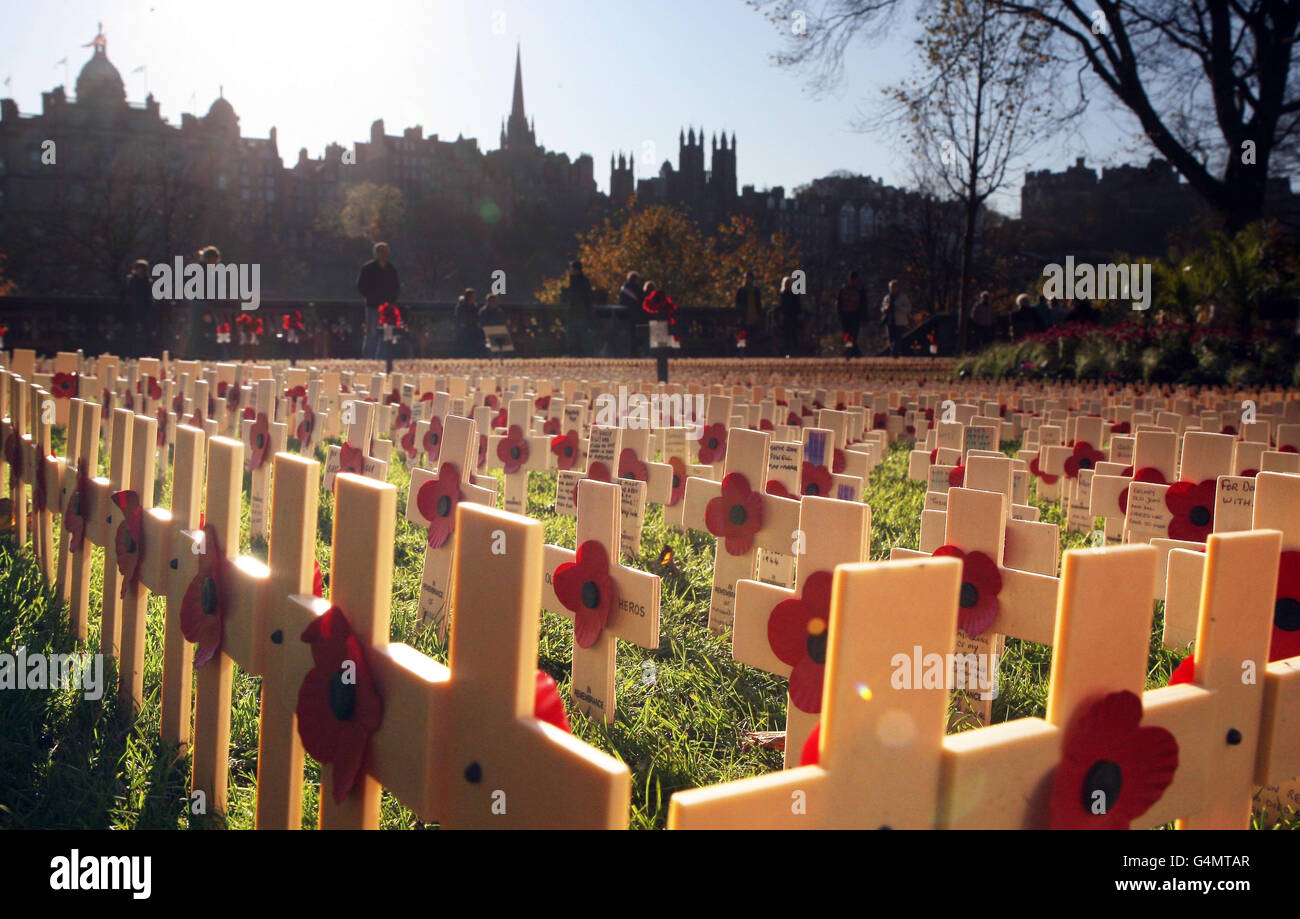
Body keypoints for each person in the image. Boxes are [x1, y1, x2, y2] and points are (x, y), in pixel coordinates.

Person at [355, 242, 400, 361]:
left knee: (386, 334)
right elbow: (361, 286)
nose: (384, 254)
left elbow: (396, 287)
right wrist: (371, 297)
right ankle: (369, 358)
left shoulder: (391, 268)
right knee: (372, 333)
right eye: (381, 251)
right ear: (376, 253)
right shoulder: (368, 268)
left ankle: (383, 358)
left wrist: (391, 301)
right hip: (373, 306)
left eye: (385, 252)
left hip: (387, 308)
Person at [641, 281, 677, 383]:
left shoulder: (654, 299)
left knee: (661, 349)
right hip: (658, 325)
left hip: (659, 325)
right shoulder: (658, 298)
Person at [561, 260, 594, 356]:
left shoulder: (583, 281)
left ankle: (581, 352)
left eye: (573, 269)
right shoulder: (570, 281)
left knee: (581, 333)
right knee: (571, 333)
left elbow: (588, 296)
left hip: (581, 312)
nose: (572, 271)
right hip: (572, 311)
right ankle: (572, 352)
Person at [122, 259, 153, 357]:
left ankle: (142, 353)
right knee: (131, 333)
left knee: (143, 334)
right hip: (131, 310)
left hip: (143, 310)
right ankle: (129, 353)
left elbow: (148, 297)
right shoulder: (131, 280)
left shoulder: (147, 282)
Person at [880, 279, 912, 358]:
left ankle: (895, 354)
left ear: (898, 287)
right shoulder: (887, 298)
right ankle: (894, 354)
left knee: (897, 339)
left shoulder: (903, 297)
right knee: (891, 339)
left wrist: (899, 309)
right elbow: (882, 308)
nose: (892, 289)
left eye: (894, 287)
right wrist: (885, 309)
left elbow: (909, 308)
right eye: (891, 287)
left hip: (900, 322)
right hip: (890, 321)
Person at [836, 271, 864, 357]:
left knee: (854, 335)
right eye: (852, 279)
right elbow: (839, 303)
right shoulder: (843, 290)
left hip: (855, 316)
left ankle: (852, 352)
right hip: (845, 315)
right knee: (847, 335)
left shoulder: (860, 290)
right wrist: (840, 314)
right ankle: (851, 351)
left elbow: (863, 304)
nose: (853, 281)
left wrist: (863, 316)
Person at [735, 271, 762, 355]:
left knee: (753, 335)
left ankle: (753, 352)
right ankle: (741, 351)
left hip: (754, 316)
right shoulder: (741, 291)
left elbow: (759, 304)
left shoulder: (756, 291)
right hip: (744, 316)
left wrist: (759, 314)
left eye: (749, 278)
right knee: (742, 334)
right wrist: (739, 315)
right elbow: (738, 304)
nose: (748, 280)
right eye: (746, 278)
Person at [619, 271, 643, 357]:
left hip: (624, 314)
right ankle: (634, 353)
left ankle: (623, 353)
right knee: (634, 335)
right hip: (634, 314)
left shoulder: (623, 289)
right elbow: (641, 301)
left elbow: (621, 301)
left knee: (624, 335)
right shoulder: (638, 289)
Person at [454, 288, 481, 357]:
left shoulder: (474, 307)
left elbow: (476, 317)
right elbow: (460, 318)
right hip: (464, 329)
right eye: (472, 296)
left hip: (473, 329)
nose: (474, 298)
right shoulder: (461, 306)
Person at [778, 275, 801, 355]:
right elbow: (781, 306)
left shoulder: (795, 294)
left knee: (794, 335)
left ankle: (795, 351)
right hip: (786, 317)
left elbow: (798, 306)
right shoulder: (783, 294)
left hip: (793, 317)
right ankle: (787, 352)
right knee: (786, 335)